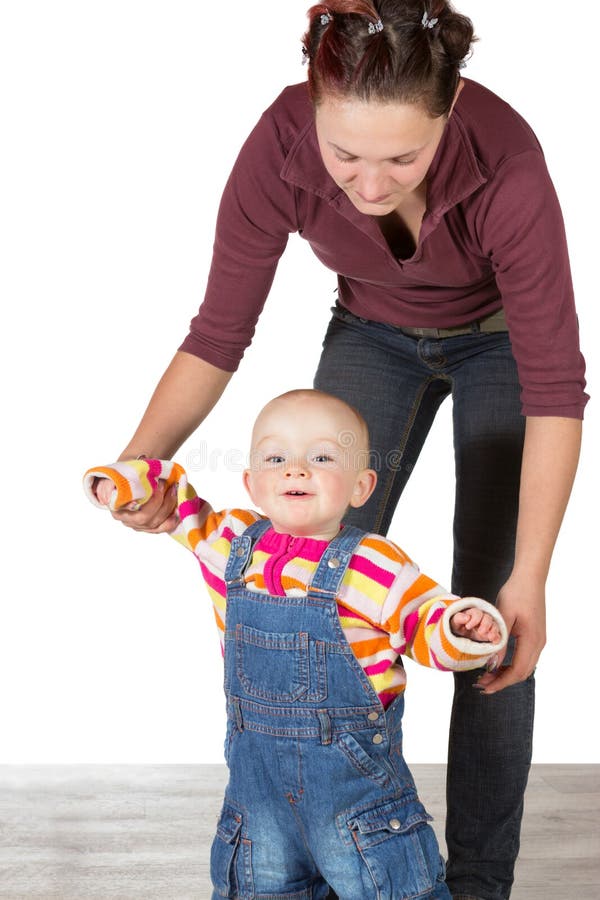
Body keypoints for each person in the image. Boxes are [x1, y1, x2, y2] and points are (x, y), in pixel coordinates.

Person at [93, 3, 587, 898]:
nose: (368, 184)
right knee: (312, 554)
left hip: (502, 344)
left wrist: (532, 580)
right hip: (373, 330)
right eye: (344, 156)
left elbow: (556, 389)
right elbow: (217, 333)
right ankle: (326, 852)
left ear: (449, 113)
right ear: (313, 118)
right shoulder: (279, 141)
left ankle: (476, 885)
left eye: (403, 158)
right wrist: (142, 471)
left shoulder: (510, 165)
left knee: (494, 616)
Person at [85, 389, 508, 899]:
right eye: (275, 458)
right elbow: (173, 502)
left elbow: (424, 622)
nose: (296, 470)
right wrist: (124, 481)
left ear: (361, 486)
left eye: (322, 457)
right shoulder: (229, 543)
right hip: (260, 809)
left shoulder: (374, 562)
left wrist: (463, 627)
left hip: (357, 806)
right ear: (251, 483)